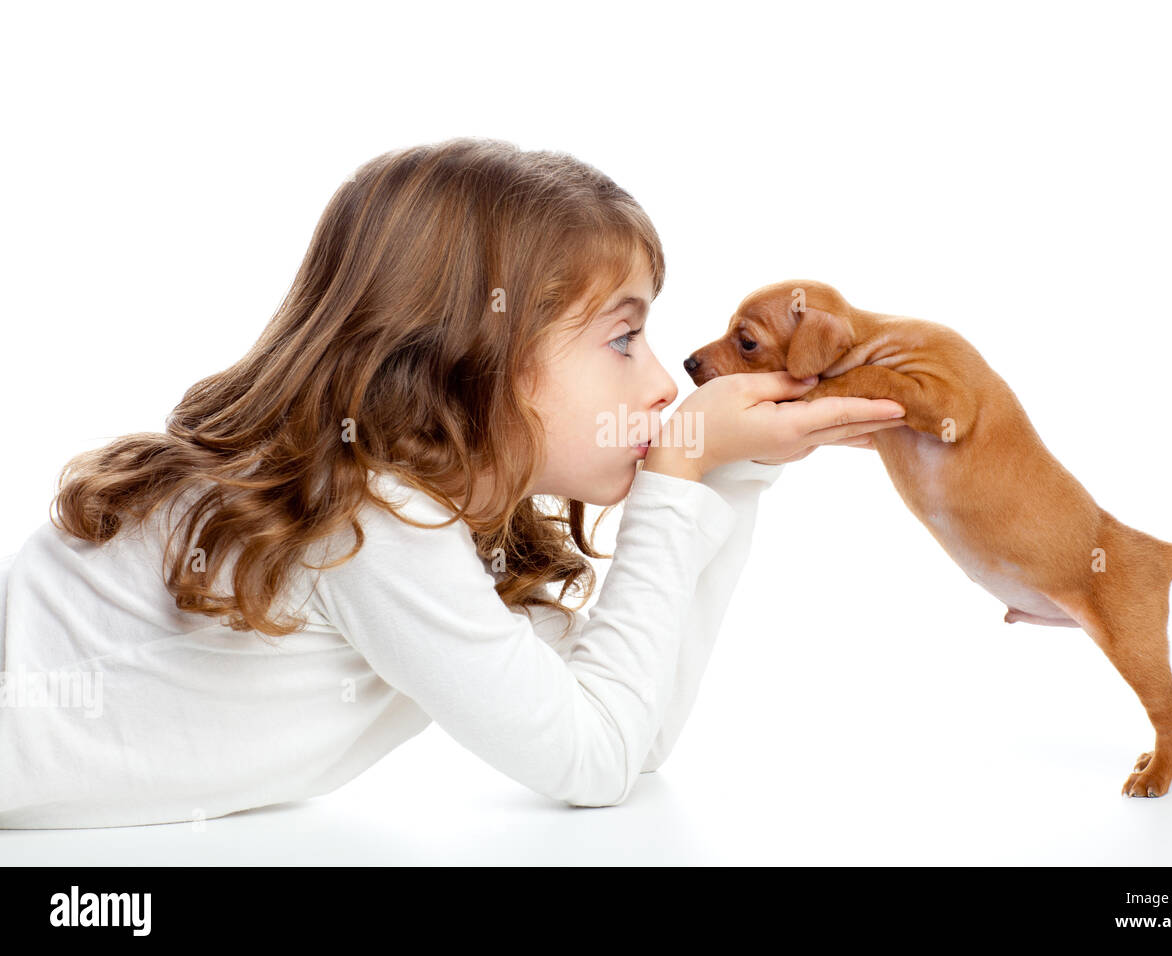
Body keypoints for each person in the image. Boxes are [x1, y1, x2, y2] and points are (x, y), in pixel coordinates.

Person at [0, 138, 905, 829]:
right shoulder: (365, 520)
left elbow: (635, 731)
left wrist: (725, 473)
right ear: (474, 353)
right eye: (624, 338)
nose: (667, 383)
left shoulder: (441, 532)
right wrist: (679, 471)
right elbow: (594, 760)